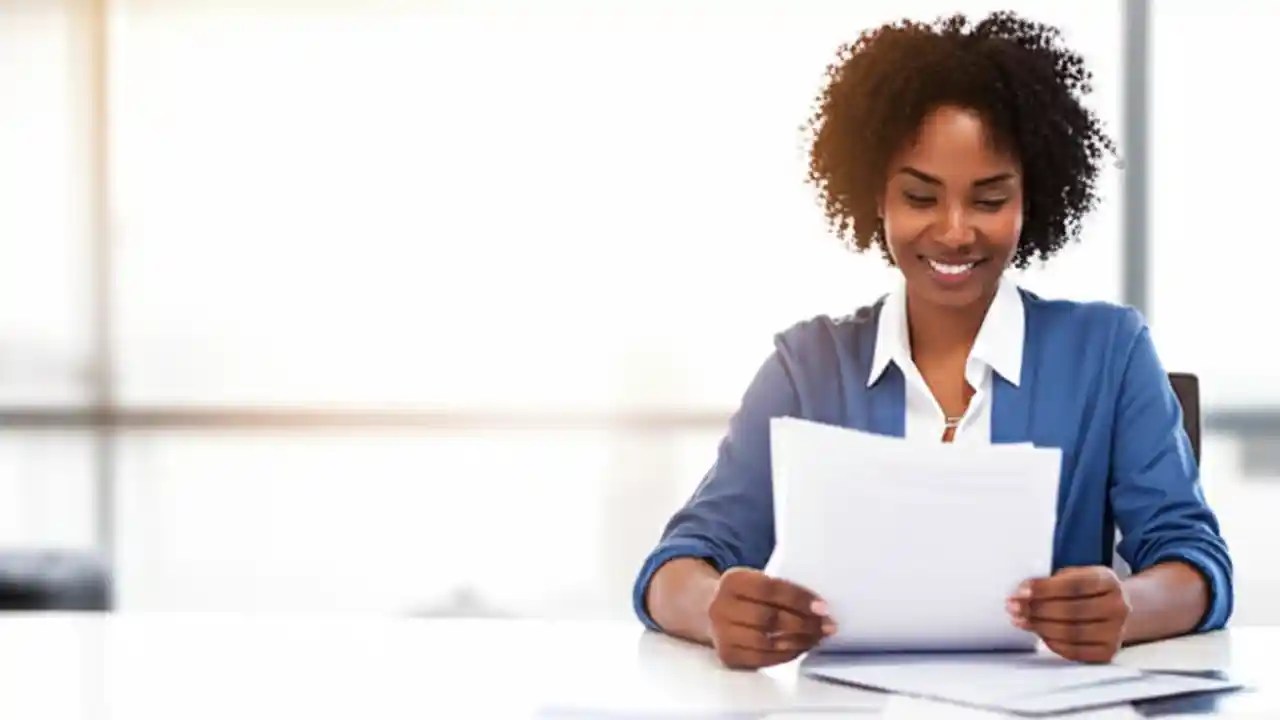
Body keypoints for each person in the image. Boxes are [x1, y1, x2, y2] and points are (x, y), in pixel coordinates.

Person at [631, 11, 1232, 670]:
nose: (953, 231)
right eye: (921, 197)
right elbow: (679, 564)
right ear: (876, 198)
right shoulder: (807, 367)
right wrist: (713, 608)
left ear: (1031, 199)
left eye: (988, 199)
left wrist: (1127, 606)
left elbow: (1193, 559)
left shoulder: (1110, 352)